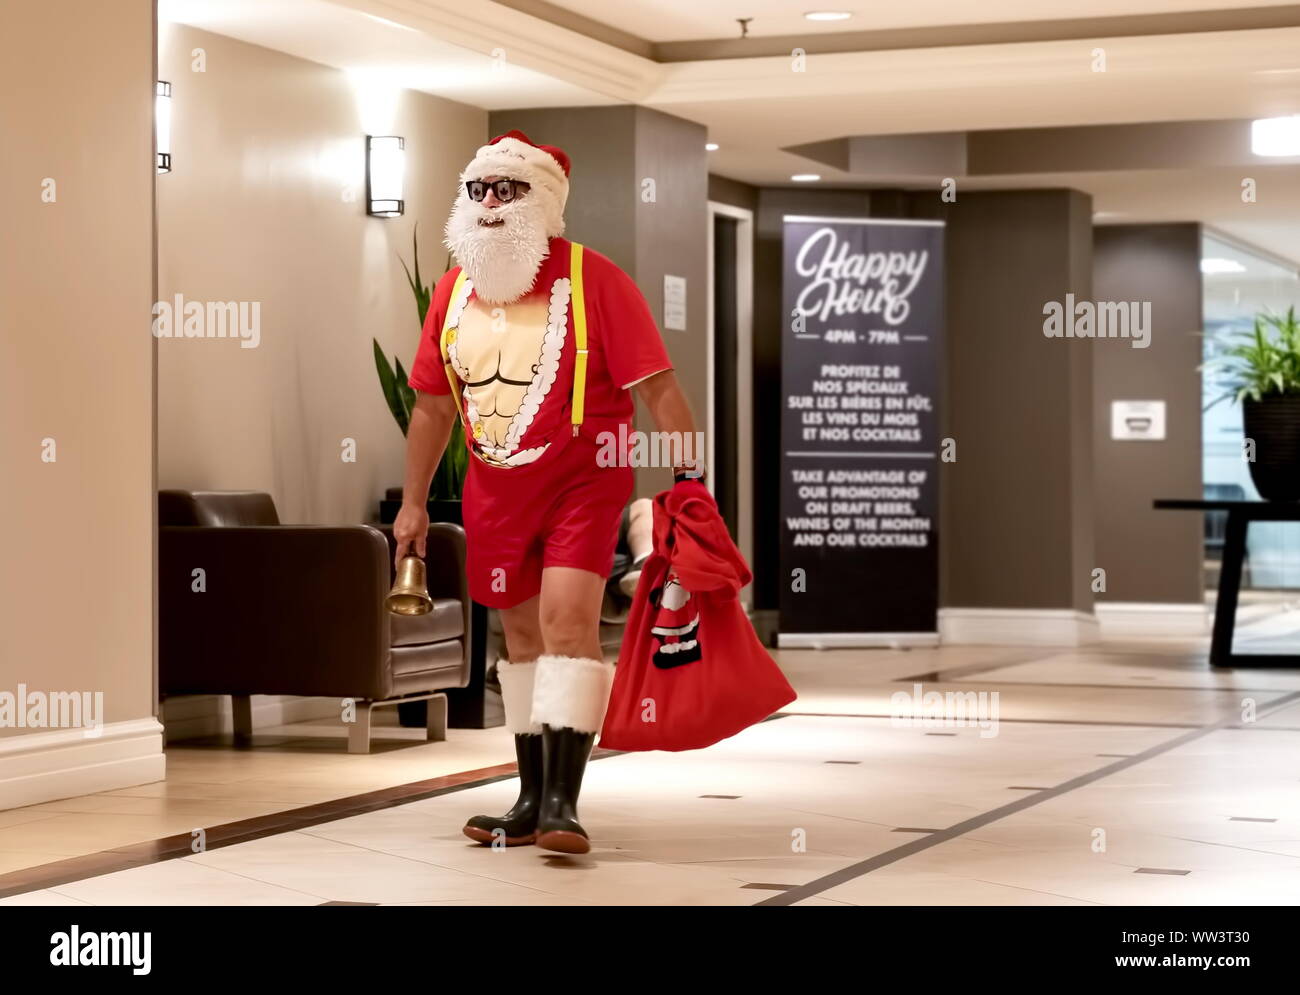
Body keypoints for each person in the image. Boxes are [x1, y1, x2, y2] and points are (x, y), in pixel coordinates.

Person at [395, 131, 701, 854]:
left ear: (545, 202)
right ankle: (530, 796)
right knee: (522, 637)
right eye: (481, 191)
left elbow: (658, 388)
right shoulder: (450, 293)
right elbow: (433, 407)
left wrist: (690, 484)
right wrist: (413, 502)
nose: (493, 204)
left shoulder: (596, 279)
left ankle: (564, 801)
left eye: (509, 190)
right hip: (496, 487)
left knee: (569, 624)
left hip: (584, 480)